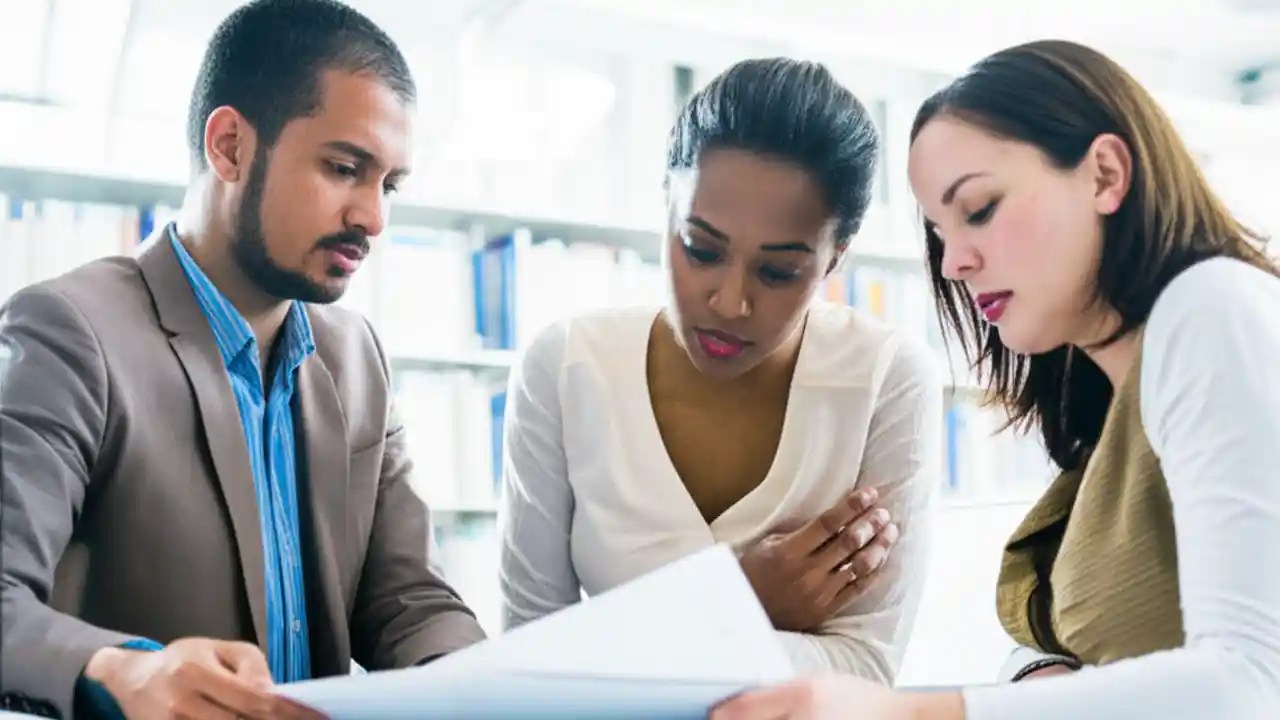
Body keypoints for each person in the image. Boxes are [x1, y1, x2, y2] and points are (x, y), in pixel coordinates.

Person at [709, 39, 1280, 720]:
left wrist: (911, 714)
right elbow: (1092, 645)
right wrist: (1041, 670)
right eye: (939, 231)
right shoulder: (1105, 416)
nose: (953, 262)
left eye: (978, 209)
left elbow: (1250, 682)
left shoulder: (1212, 306)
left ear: (1104, 175)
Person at [0, 1, 487, 718]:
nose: (373, 218)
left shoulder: (357, 357)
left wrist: (500, 686)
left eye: (388, 185)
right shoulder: (72, 332)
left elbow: (409, 600)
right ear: (229, 146)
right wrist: (122, 672)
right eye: (345, 168)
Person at [498, 57, 942, 682]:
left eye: (779, 271)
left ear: (835, 257)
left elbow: (862, 671)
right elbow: (527, 662)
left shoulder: (888, 379)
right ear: (665, 207)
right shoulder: (566, 366)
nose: (730, 302)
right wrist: (738, 602)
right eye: (701, 250)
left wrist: (623, 647)